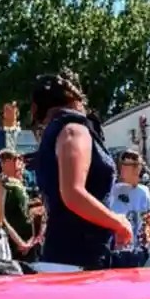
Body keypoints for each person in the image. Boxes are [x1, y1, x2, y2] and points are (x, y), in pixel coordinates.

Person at [30, 71, 130, 269]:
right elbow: (73, 193)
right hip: (81, 258)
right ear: (75, 98)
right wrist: (118, 222)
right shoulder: (73, 129)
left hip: (62, 255)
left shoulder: (53, 134)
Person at [106, 148, 150, 267]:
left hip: (137, 251)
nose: (132, 169)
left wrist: (147, 243)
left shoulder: (143, 192)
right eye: (127, 164)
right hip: (115, 251)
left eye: (135, 165)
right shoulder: (112, 191)